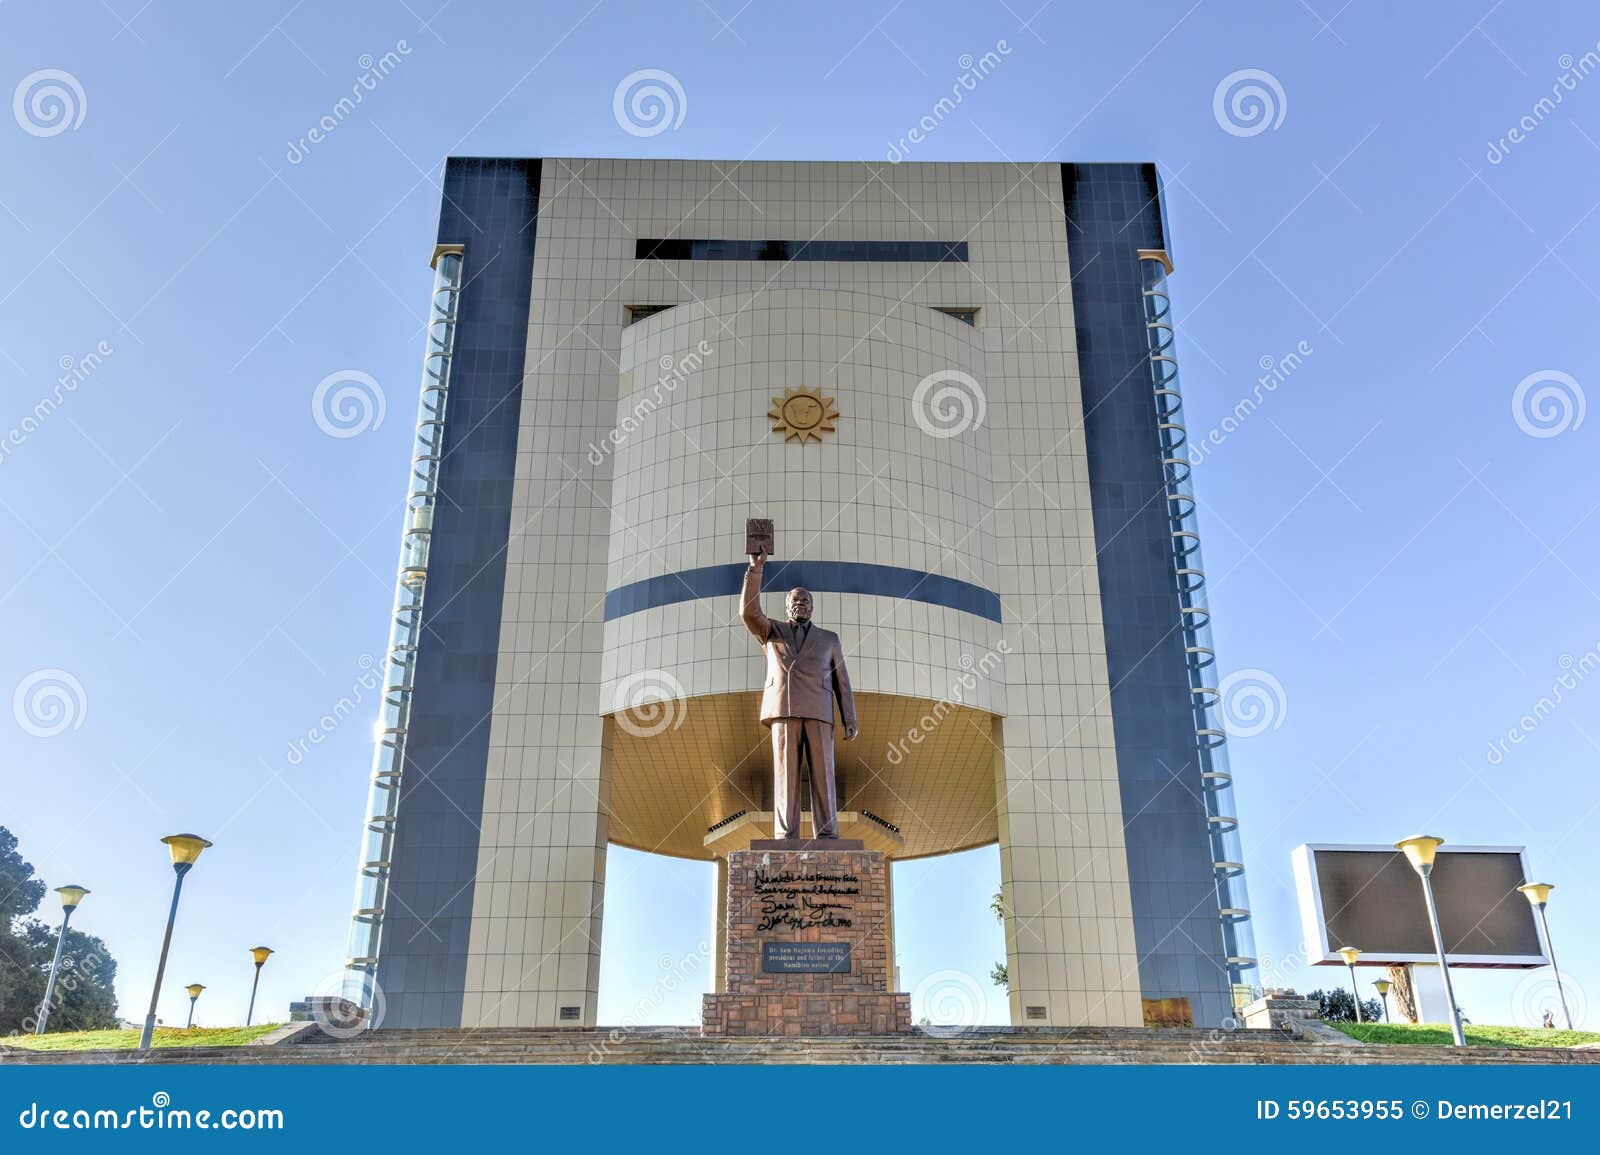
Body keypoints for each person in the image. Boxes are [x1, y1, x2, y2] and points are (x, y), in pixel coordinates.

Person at [740, 551, 857, 840]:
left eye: (805, 601)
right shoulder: (771, 632)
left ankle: (828, 834)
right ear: (787, 606)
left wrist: (849, 718)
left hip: (820, 712)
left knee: (824, 778)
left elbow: (843, 682)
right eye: (795, 600)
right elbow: (748, 613)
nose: (800, 604)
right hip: (784, 710)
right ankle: (785, 835)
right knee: (786, 777)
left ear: (812, 607)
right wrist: (755, 570)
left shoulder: (830, 639)